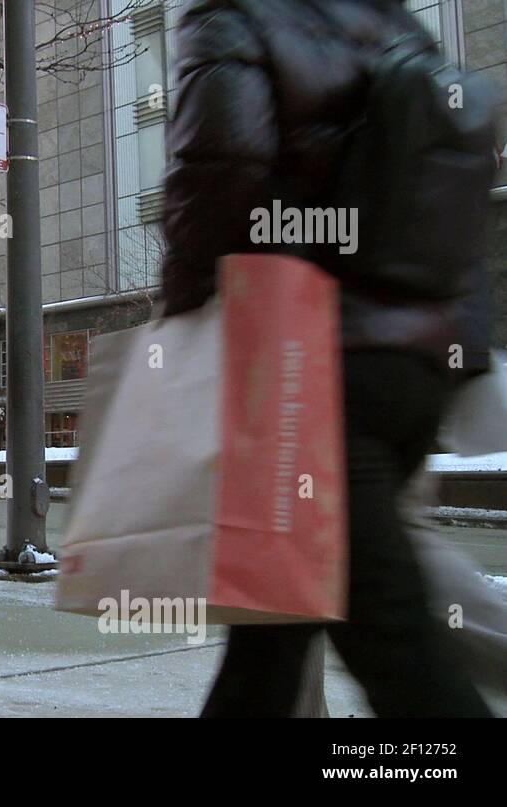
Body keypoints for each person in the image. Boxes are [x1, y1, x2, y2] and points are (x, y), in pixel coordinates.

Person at [161, 0, 494, 716]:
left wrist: (181, 317)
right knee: (274, 632)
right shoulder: (394, 20)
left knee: (393, 638)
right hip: (409, 370)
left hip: (310, 373)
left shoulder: (232, 14)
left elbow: (219, 172)